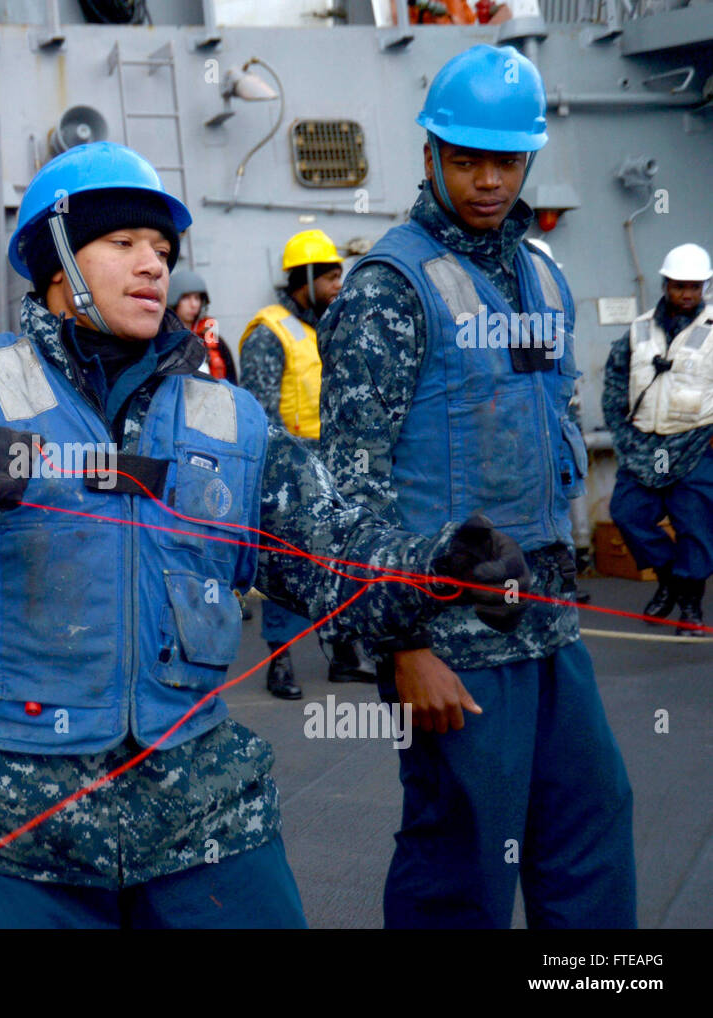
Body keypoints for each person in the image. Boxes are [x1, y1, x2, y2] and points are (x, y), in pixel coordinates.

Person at [0, 139, 530, 929]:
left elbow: (331, 547)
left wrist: (438, 568)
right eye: (122, 244)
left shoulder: (227, 416)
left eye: (161, 249)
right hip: (9, 826)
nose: (152, 266)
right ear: (57, 261)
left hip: (200, 811)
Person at [317, 44, 636, 929]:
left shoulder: (543, 275)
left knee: (592, 829)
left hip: (547, 621)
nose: (487, 180)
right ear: (430, 156)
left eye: (505, 160)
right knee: (463, 865)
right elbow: (348, 493)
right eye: (466, 160)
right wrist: (401, 645)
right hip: (448, 638)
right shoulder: (390, 289)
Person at [237, 230, 375, 698]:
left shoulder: (329, 326)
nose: (341, 283)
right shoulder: (269, 332)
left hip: (337, 461)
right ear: (308, 276)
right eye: (333, 275)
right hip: (293, 468)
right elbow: (259, 408)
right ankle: (280, 661)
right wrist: (287, 471)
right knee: (289, 560)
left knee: (343, 557)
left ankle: (343, 655)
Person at [603, 243, 713, 634]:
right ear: (666, 284)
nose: (687, 295)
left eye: (695, 287)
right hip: (644, 446)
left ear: (704, 287)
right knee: (628, 514)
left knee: (695, 526)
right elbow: (616, 382)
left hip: (696, 442)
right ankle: (670, 579)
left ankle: (690, 606)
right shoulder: (638, 330)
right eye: (679, 286)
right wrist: (621, 432)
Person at [167, 268, 236, 382]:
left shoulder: (215, 342)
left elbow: (232, 383)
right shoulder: (163, 342)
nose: (193, 304)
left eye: (197, 298)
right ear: (174, 300)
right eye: (186, 298)